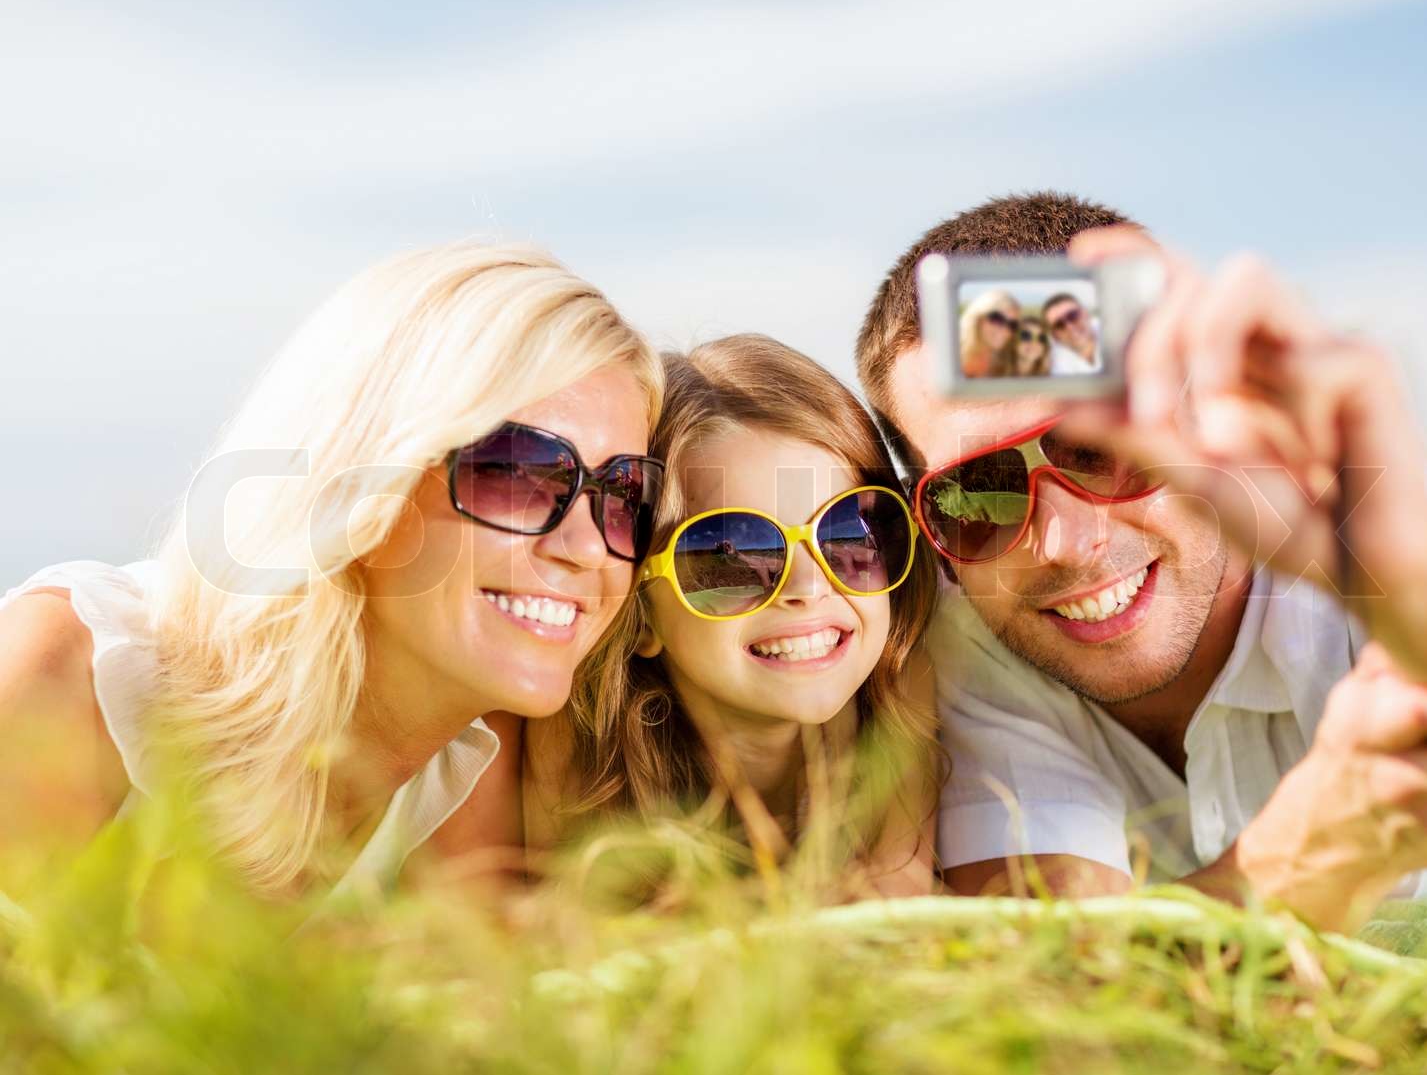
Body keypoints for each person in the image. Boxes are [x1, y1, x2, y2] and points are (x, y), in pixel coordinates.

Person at [855, 191, 1427, 931]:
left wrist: (1415, 578)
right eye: (978, 496)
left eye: (1101, 452)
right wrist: (1308, 852)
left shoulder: (1380, 526)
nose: (1066, 542)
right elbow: (1072, 965)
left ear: (1198, 416)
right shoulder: (974, 642)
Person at [0, 244, 664, 897]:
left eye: (624, 492)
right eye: (519, 471)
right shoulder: (73, 672)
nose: (586, 547)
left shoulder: (470, 753)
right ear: (370, 475)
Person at [569, 335, 941, 897]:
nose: (808, 586)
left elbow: (896, 898)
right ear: (640, 613)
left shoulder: (906, 689)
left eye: (848, 534)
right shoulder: (579, 738)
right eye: (729, 555)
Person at [958, 289, 1021, 378]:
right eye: (997, 319)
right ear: (978, 318)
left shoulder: (1006, 362)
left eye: (1012, 325)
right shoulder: (947, 355)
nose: (1005, 330)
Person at [1041, 291, 1099, 375]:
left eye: (1073, 316)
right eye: (1059, 325)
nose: (1069, 327)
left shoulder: (1114, 332)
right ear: (1054, 335)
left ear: (1086, 314)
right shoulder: (1054, 362)